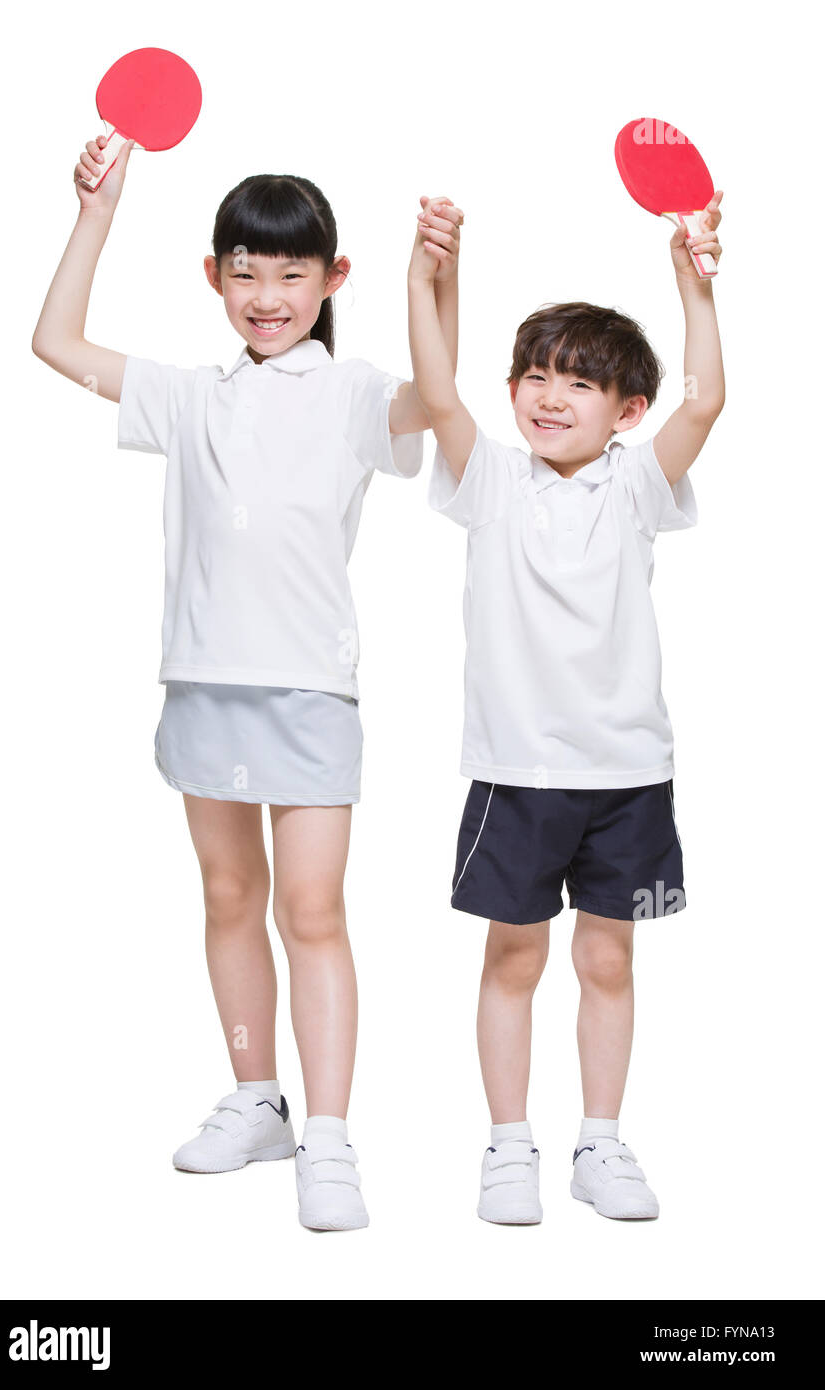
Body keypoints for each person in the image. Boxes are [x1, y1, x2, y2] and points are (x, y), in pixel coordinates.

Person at [31, 135, 460, 1231]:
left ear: (331, 280)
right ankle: (254, 1098)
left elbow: (439, 394)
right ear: (214, 276)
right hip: (201, 686)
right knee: (229, 899)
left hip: (310, 692)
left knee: (313, 910)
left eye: (290, 273)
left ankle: (327, 1136)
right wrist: (97, 211)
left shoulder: (357, 391)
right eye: (244, 270)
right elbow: (54, 341)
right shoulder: (189, 395)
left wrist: (435, 279)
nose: (266, 295)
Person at [408, 191, 724, 1222]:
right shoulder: (490, 481)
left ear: (623, 411)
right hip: (516, 772)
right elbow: (435, 387)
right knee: (513, 953)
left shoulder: (636, 486)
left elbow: (706, 401)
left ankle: (600, 1142)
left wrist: (691, 282)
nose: (549, 397)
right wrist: (430, 273)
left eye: (577, 384)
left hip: (626, 775)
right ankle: (508, 1146)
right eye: (534, 378)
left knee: (605, 955)